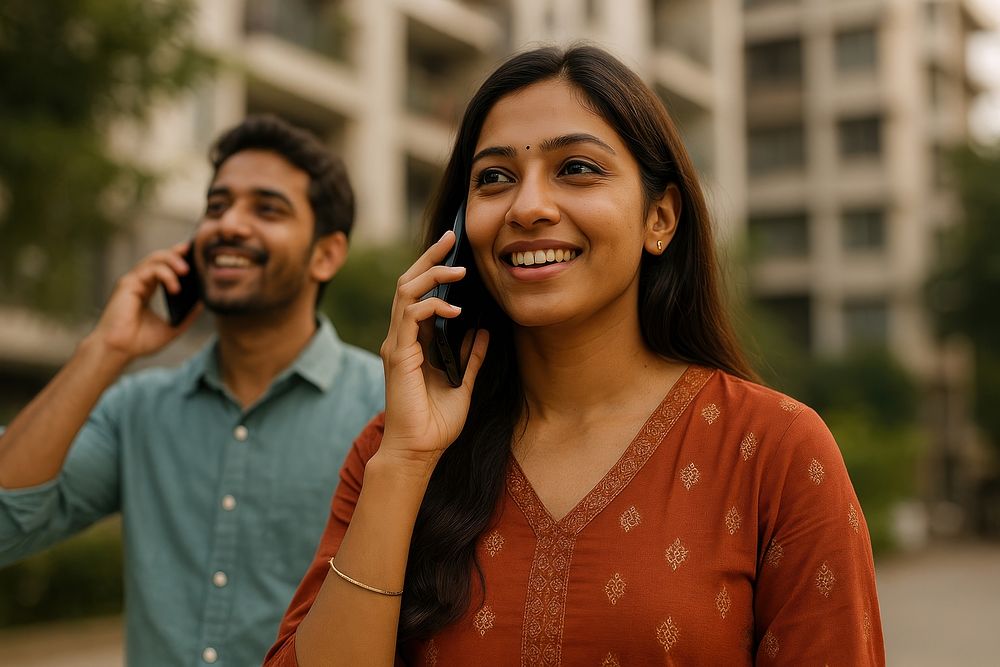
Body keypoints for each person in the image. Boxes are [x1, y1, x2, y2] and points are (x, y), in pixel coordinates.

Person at [264, 46, 885, 666]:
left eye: (577, 168)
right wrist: (404, 464)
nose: (527, 207)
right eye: (495, 178)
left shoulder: (773, 450)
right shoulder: (392, 450)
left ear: (660, 218)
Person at [0, 115, 385, 665]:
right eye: (216, 205)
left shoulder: (388, 411)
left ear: (326, 254)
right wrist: (105, 350)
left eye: (267, 209)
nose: (228, 224)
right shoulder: (137, 409)